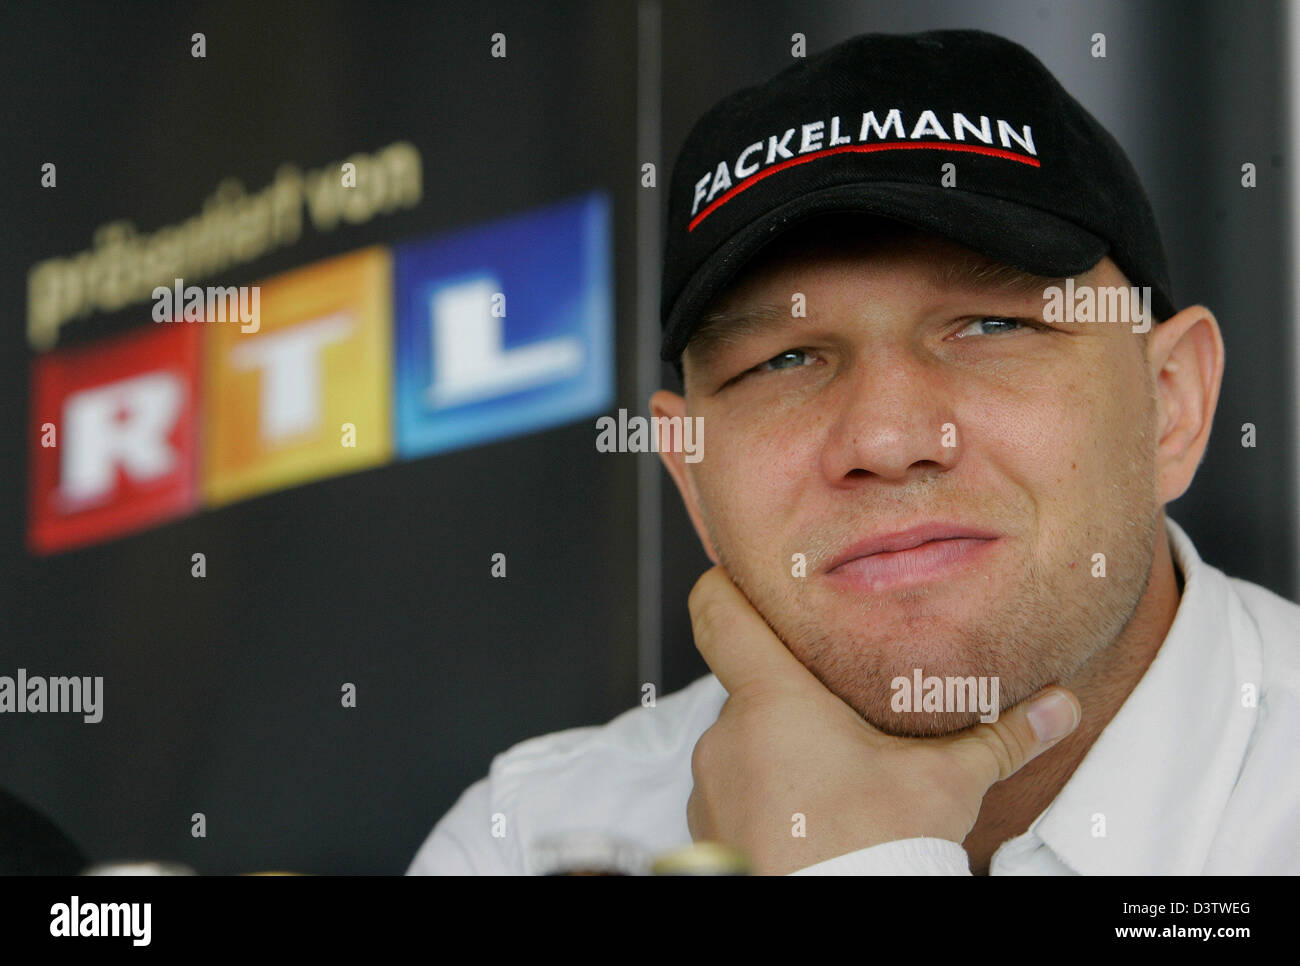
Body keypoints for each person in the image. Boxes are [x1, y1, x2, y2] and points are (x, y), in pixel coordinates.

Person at [408, 28, 1300, 875]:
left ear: (1172, 404)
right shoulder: (528, 841)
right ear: (691, 475)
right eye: (783, 360)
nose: (885, 439)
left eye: (992, 325)